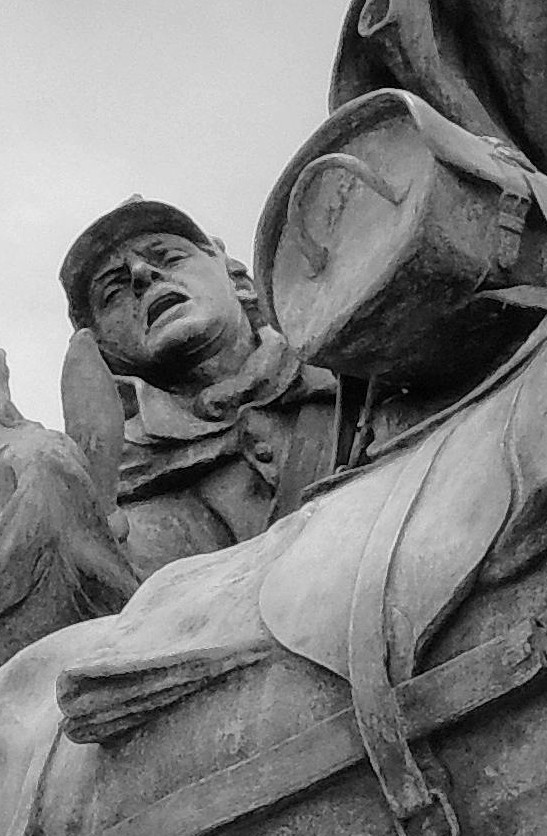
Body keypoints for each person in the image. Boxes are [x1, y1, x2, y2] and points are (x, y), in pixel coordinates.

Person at [56, 197, 340, 574]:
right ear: (106, 352)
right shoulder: (125, 486)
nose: (142, 274)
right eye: (112, 292)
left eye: (170, 257)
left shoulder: (347, 361)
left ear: (232, 274)